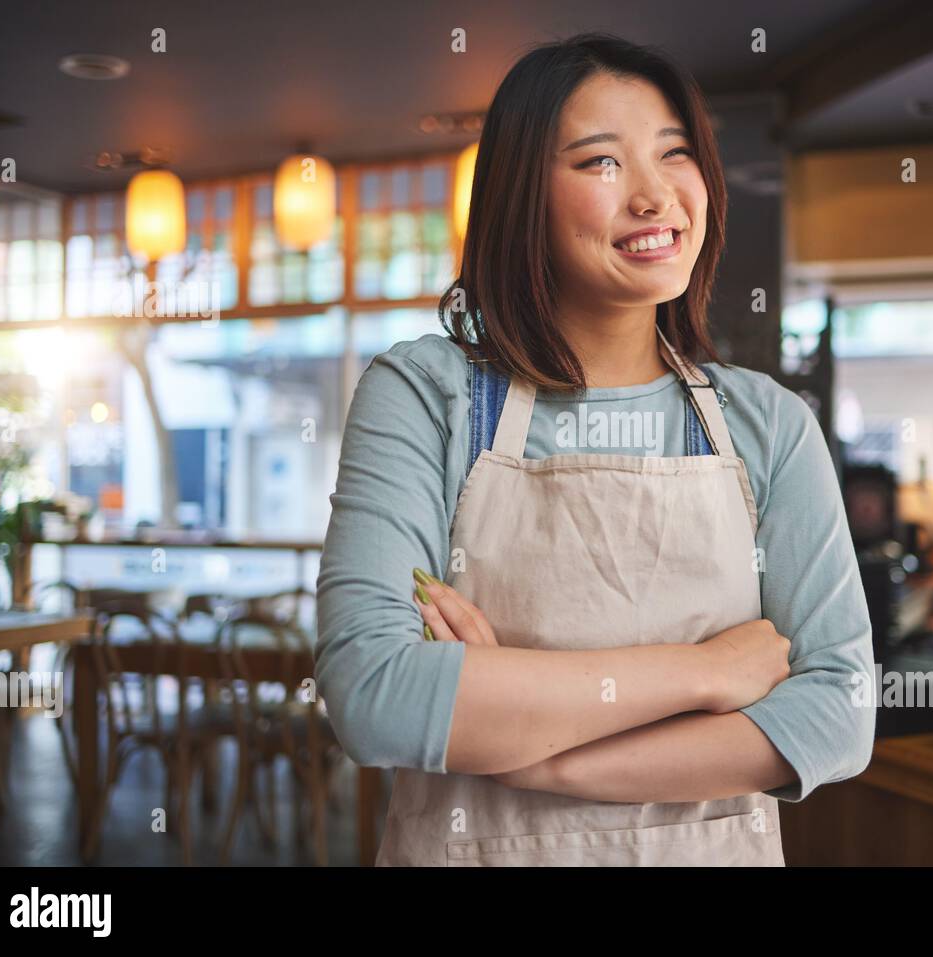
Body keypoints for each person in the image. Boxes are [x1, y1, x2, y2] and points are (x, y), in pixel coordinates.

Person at [315, 32, 875, 866]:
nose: (654, 196)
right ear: (519, 196)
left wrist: (535, 751)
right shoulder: (426, 394)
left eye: (674, 152)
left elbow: (839, 713)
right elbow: (372, 693)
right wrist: (710, 674)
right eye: (601, 163)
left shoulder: (769, 424)